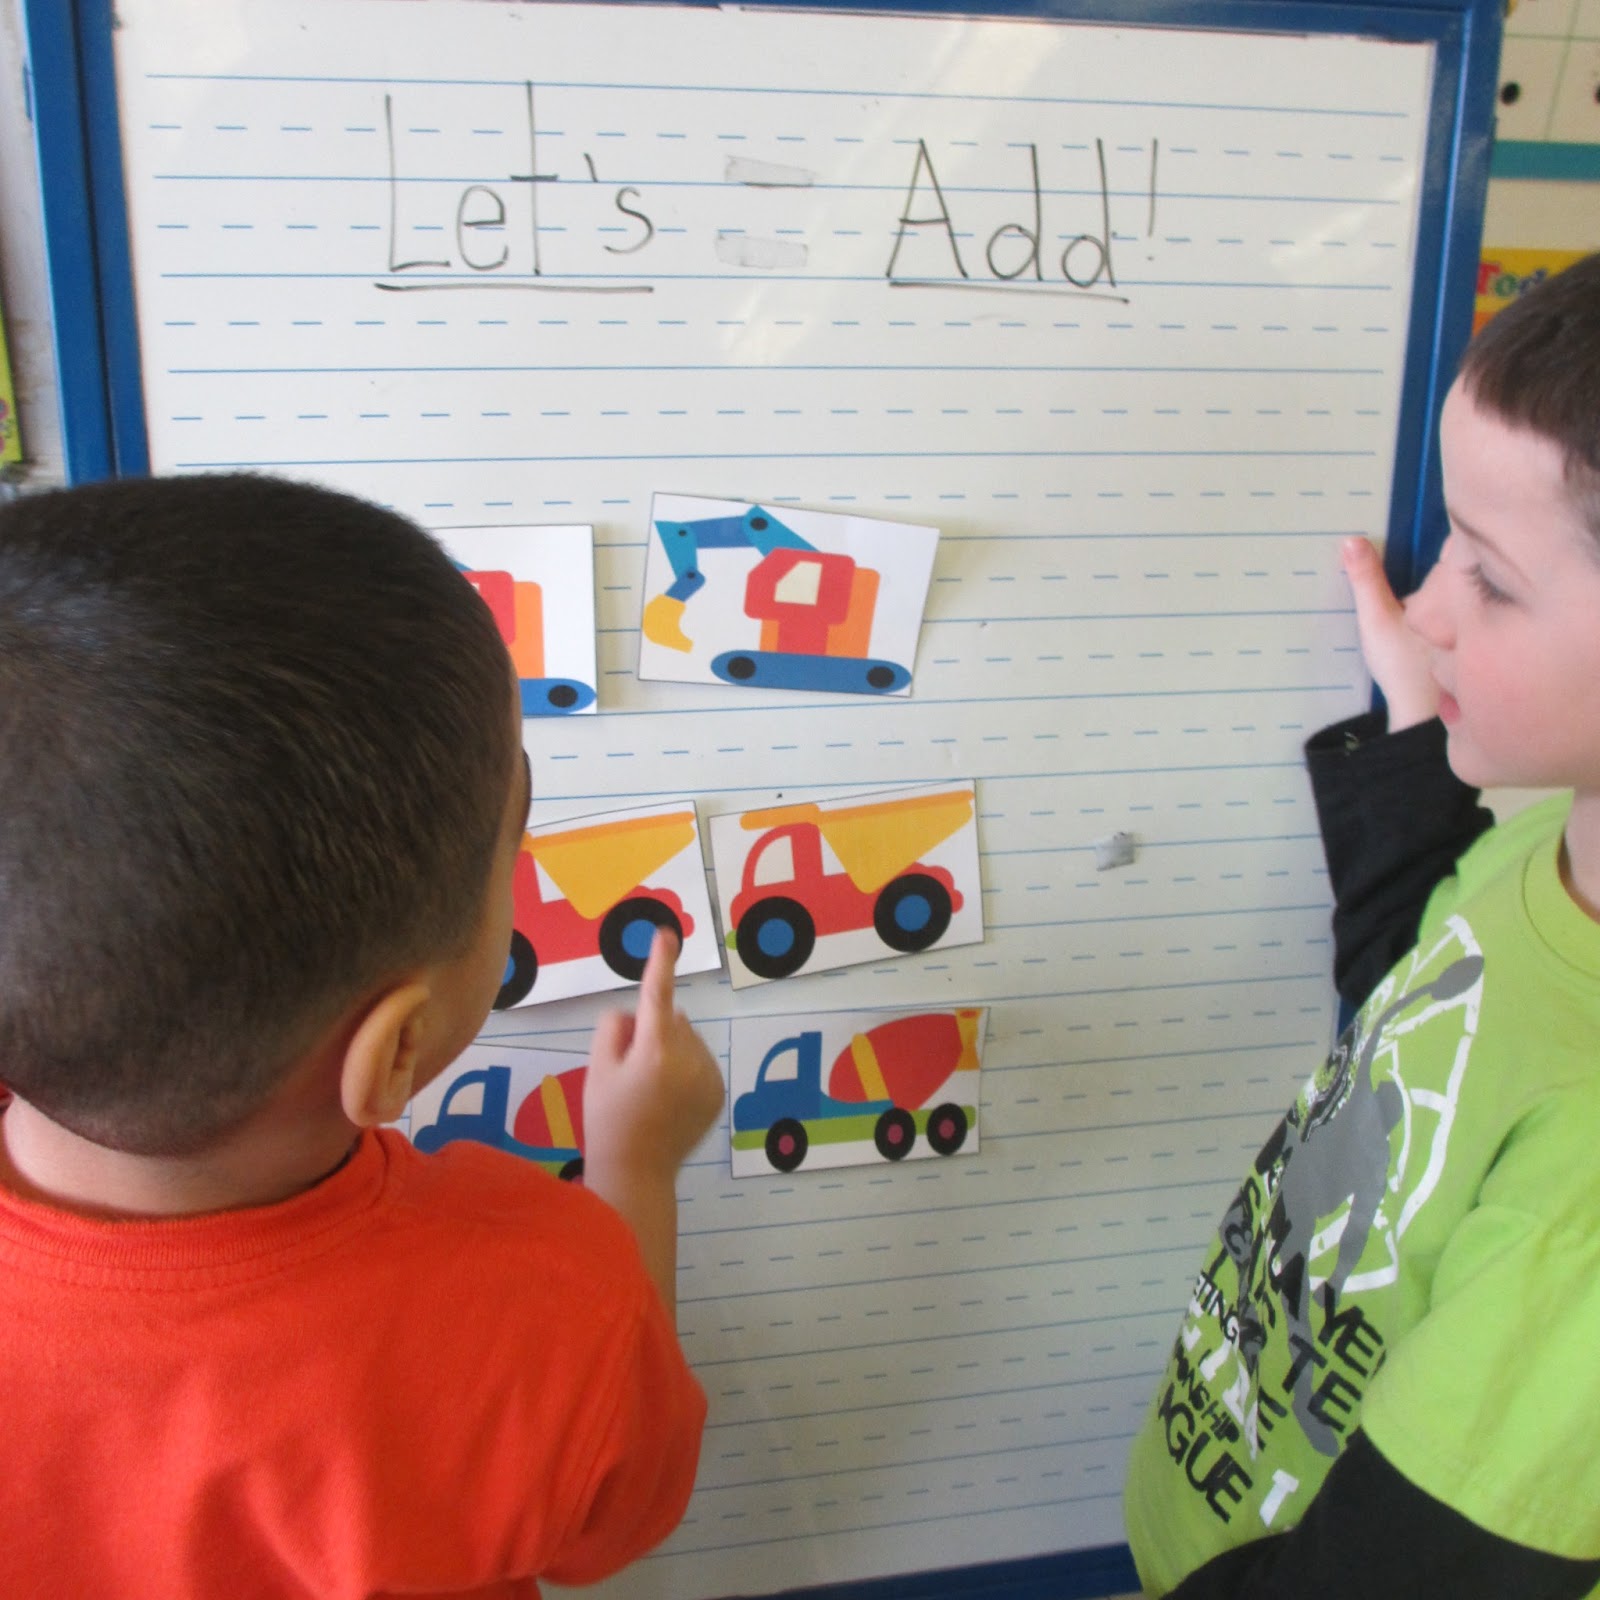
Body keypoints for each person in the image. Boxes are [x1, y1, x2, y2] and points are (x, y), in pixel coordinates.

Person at [0, 473, 726, 1600]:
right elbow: (616, 1523)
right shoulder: (545, 1285)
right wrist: (636, 1164)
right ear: (391, 1054)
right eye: (513, 842)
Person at [1124, 252, 1600, 1596]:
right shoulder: (1541, 840)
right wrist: (1420, 731)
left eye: (1492, 580)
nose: (1430, 605)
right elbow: (1435, 1000)